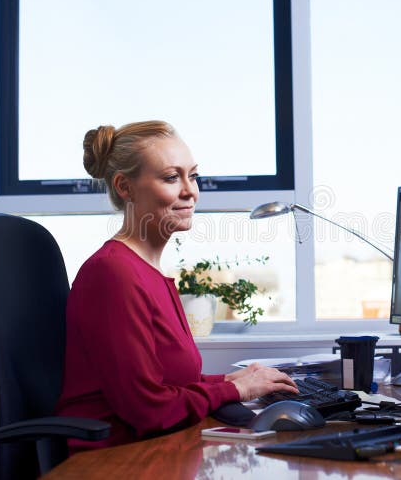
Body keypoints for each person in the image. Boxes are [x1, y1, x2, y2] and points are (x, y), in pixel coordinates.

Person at [55, 120, 298, 451]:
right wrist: (236, 391)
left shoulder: (148, 271)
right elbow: (148, 408)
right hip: (117, 461)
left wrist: (231, 380)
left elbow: (168, 383)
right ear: (124, 187)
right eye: (172, 178)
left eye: (193, 176)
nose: (190, 191)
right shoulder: (112, 274)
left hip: (153, 449)